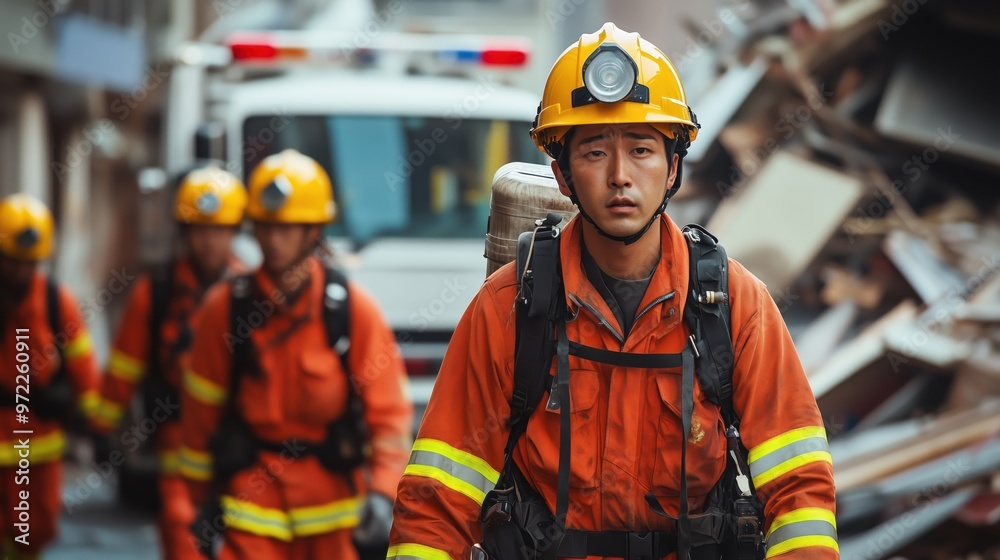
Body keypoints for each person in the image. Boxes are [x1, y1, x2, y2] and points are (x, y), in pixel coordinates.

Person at [388, 23, 838, 560]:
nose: (620, 176)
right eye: (595, 152)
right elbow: (439, 498)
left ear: (673, 168)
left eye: (642, 150)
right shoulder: (511, 305)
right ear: (562, 174)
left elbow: (799, 489)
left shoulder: (733, 304)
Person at [179, 149, 413, 559]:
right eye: (265, 226)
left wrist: (382, 492)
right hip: (251, 508)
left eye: (287, 227)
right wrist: (198, 501)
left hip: (335, 517)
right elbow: (201, 412)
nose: (273, 239)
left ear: (313, 231)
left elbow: (389, 416)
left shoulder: (351, 310)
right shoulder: (225, 308)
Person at [92, 166, 249, 560]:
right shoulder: (156, 294)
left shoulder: (250, 292)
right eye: (200, 230)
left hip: (243, 445)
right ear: (184, 233)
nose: (209, 241)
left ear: (234, 233)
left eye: (219, 230)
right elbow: (125, 365)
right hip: (176, 446)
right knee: (183, 538)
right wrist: (101, 427)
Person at [0, 193, 101, 560]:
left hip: (36, 450)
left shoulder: (57, 302)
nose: (20, 271)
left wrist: (94, 424)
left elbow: (84, 370)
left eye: (29, 263)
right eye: (12, 261)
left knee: (32, 535)